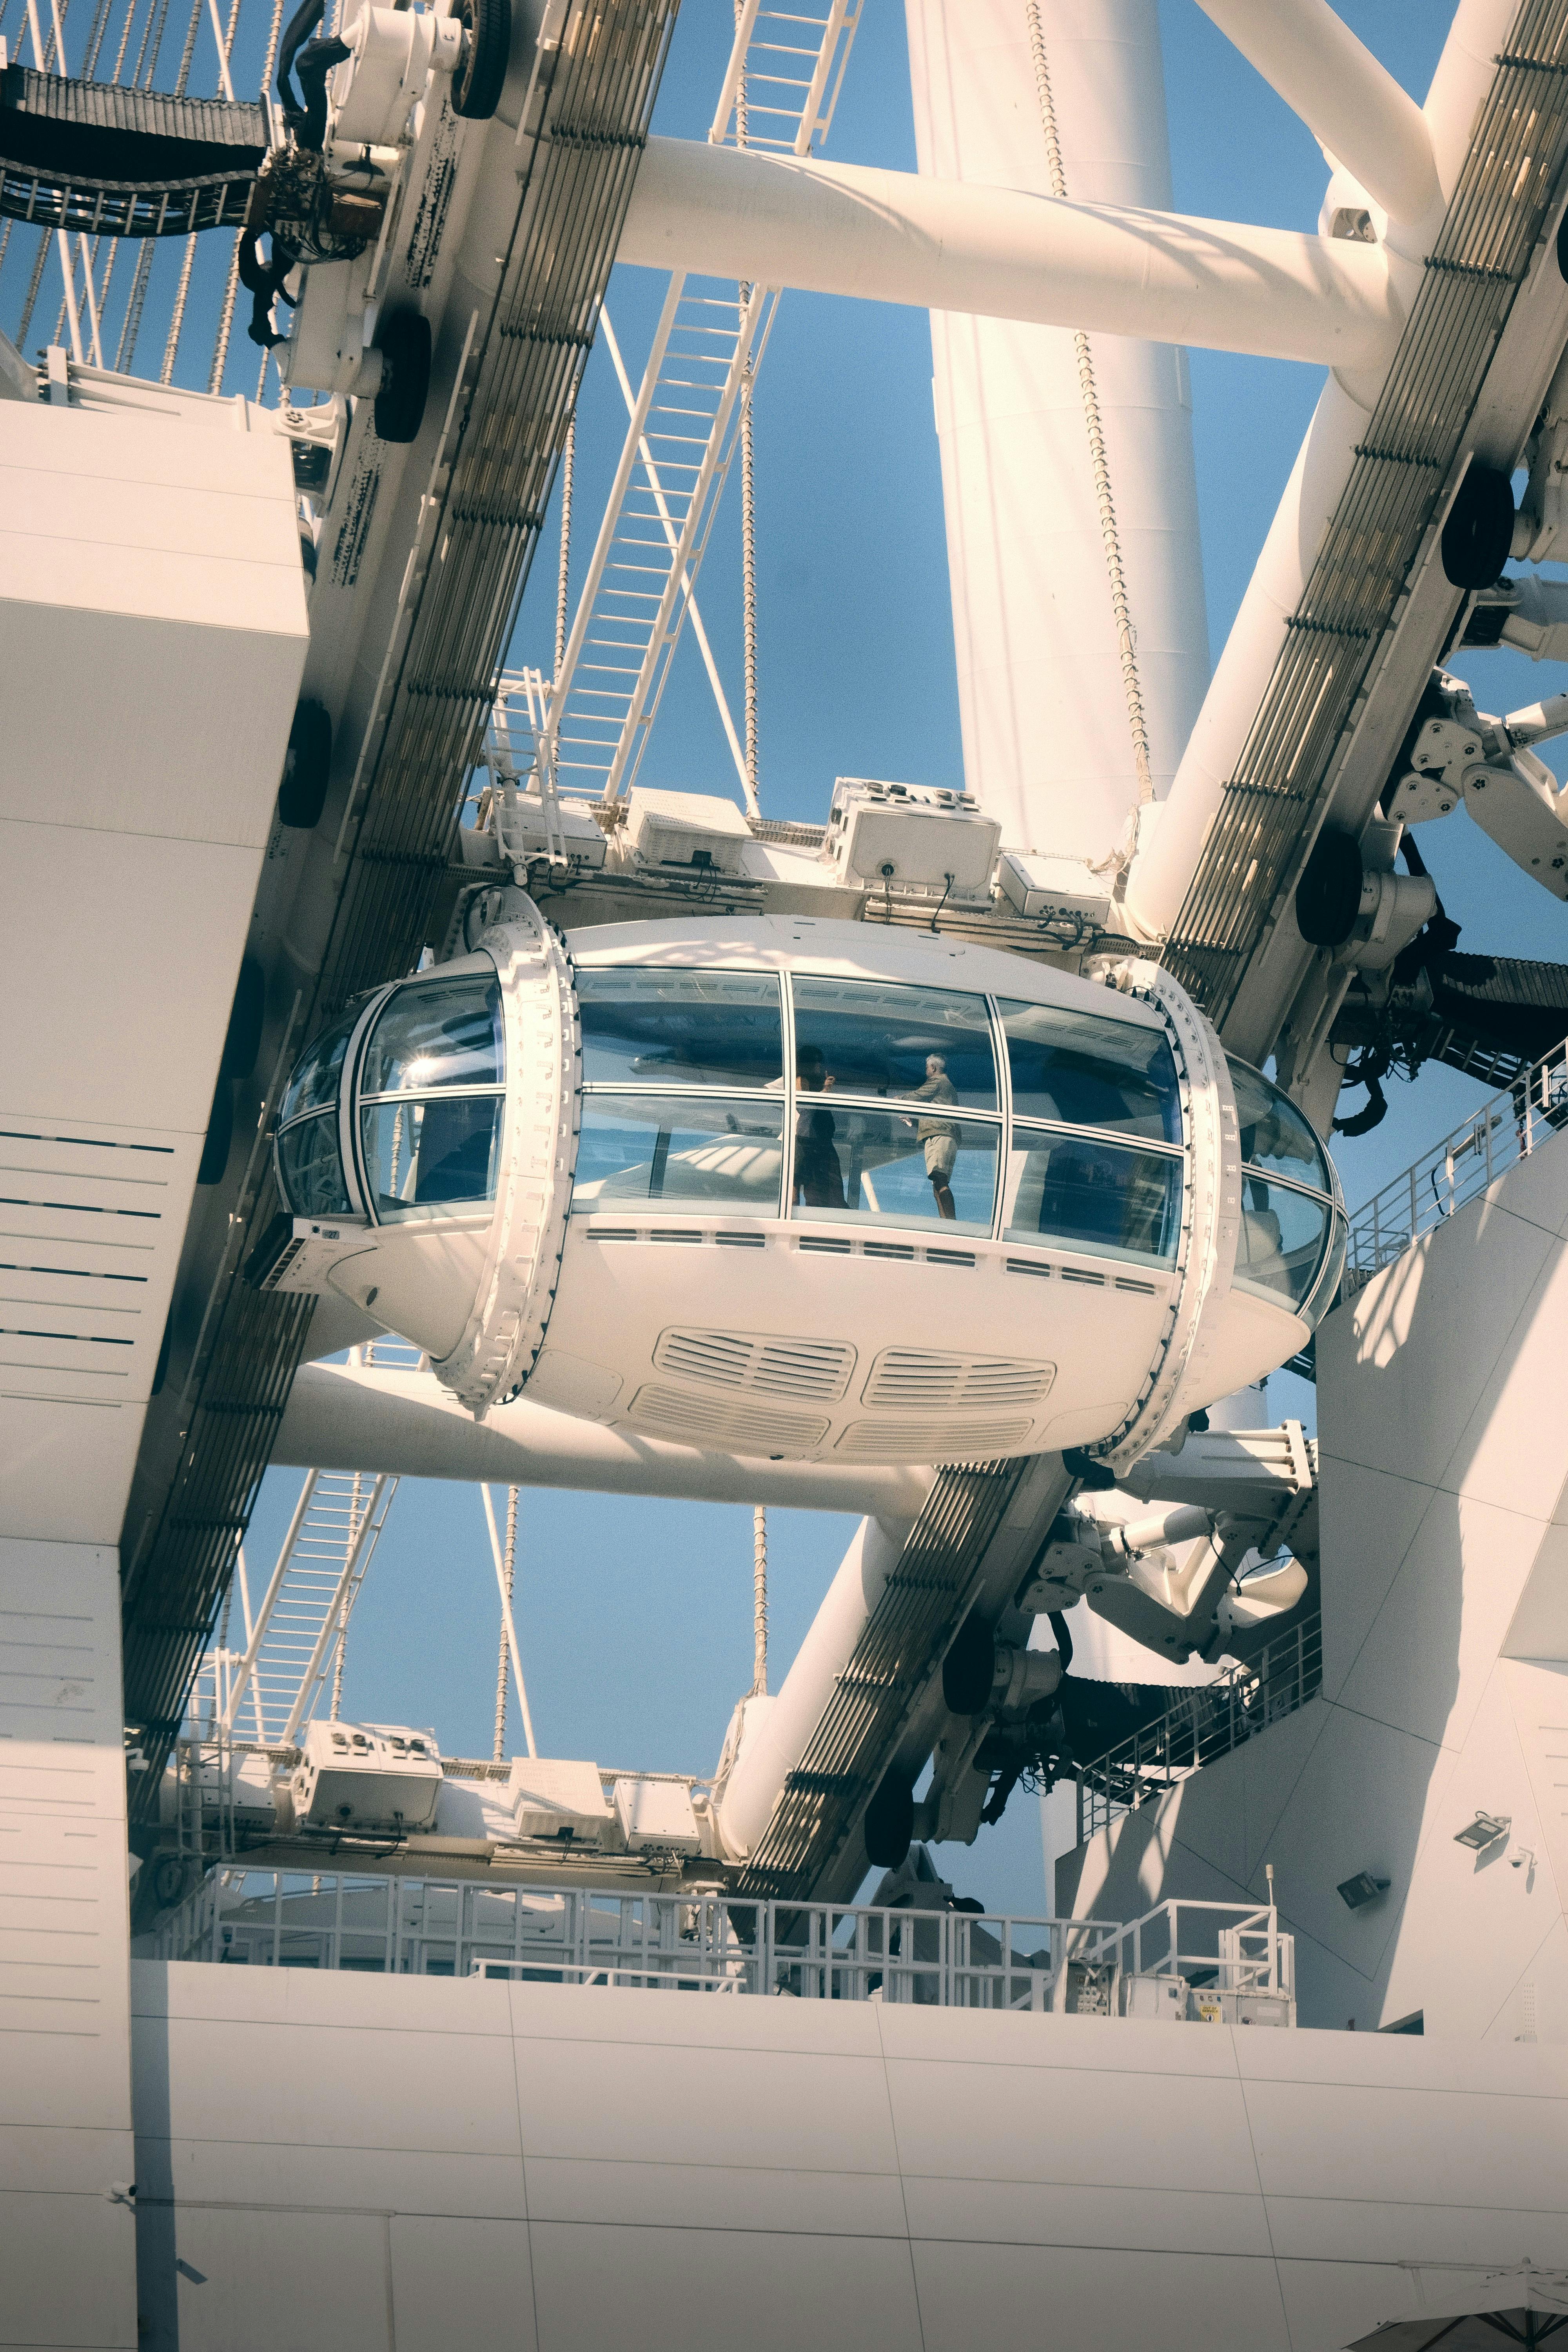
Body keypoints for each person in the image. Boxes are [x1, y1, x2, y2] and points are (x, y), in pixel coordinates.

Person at [906, 1052, 960, 1219]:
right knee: (937, 1182)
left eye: (927, 1067)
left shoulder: (938, 1081)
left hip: (940, 1135)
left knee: (940, 1179)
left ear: (934, 1068)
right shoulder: (944, 1086)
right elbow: (934, 1115)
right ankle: (946, 1222)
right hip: (939, 1133)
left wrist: (897, 1100)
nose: (926, 1071)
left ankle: (950, 1222)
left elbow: (916, 1096)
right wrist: (914, 1122)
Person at [793, 1044, 845, 1209]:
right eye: (814, 1062)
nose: (818, 1066)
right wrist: (825, 1091)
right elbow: (804, 1108)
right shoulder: (799, 1081)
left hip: (820, 1141)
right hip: (808, 1142)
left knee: (829, 1191)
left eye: (818, 1062)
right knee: (799, 1187)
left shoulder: (814, 1082)